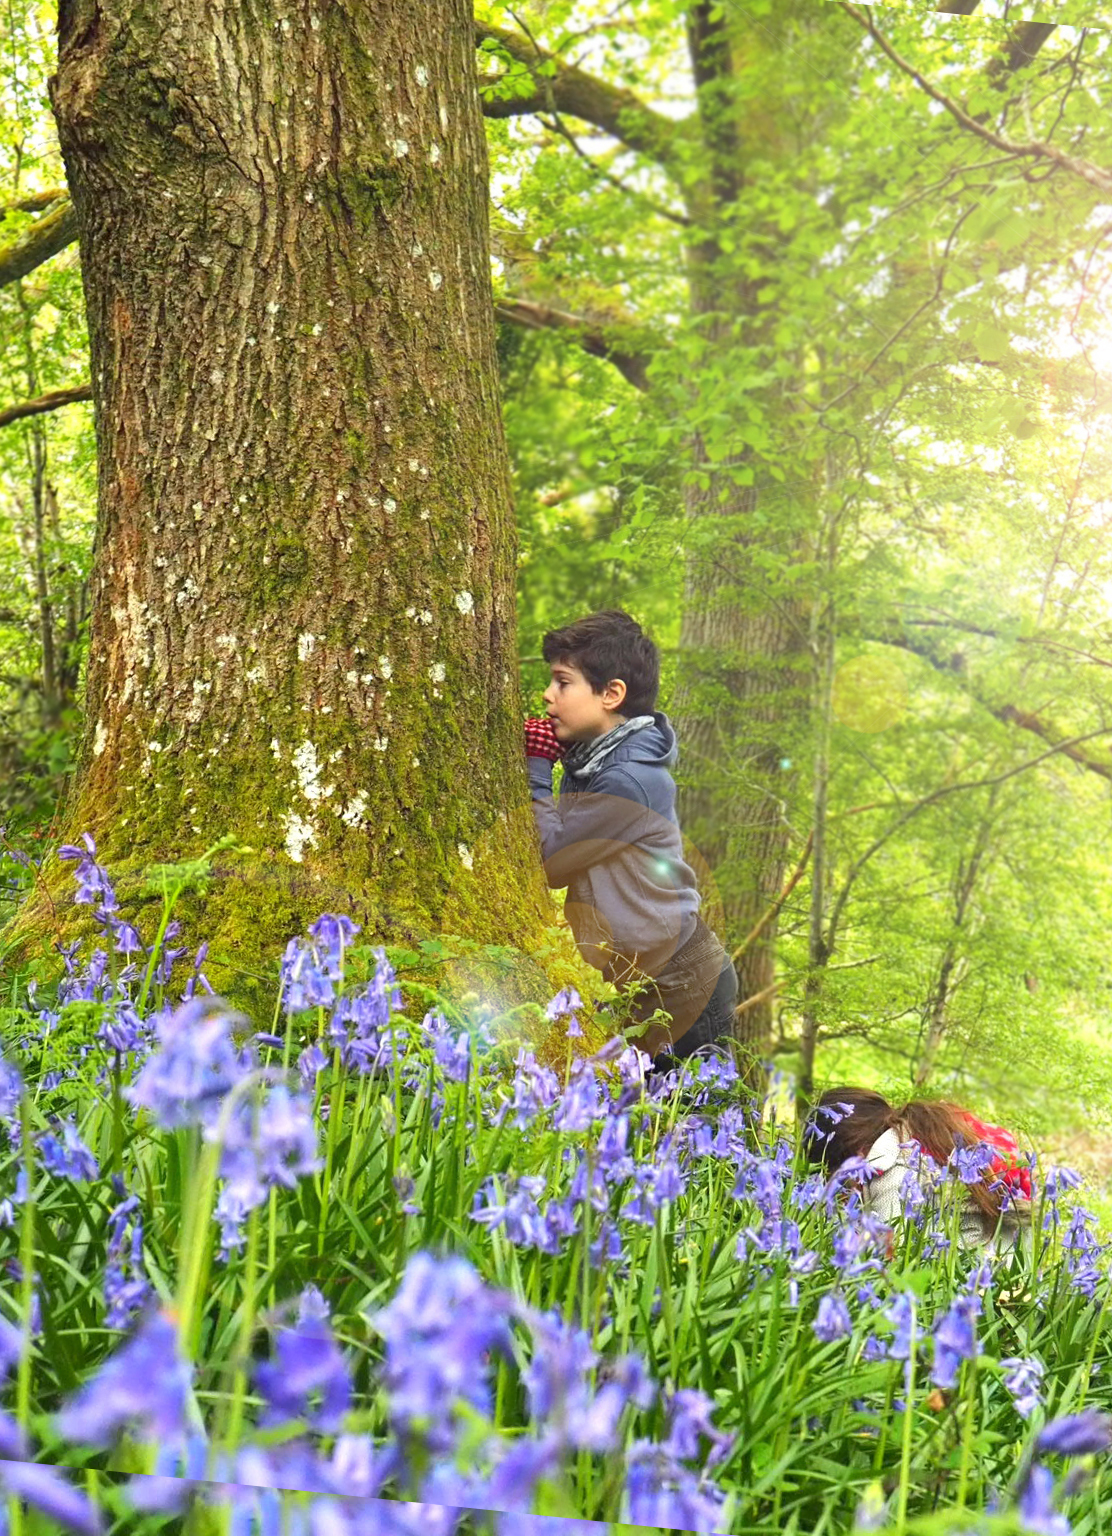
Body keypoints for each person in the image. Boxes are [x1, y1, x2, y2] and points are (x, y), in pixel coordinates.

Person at [522, 609, 737, 1072]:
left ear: (611, 694)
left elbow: (553, 860)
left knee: (694, 1123)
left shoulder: (627, 779)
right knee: (657, 1119)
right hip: (654, 977)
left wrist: (537, 767)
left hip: (683, 980)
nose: (547, 695)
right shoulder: (601, 762)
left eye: (563, 682)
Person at [803, 1087, 1032, 1253]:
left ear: (852, 1153)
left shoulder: (891, 1170)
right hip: (1013, 1255)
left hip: (978, 1275)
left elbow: (892, 1253)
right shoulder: (915, 1136)